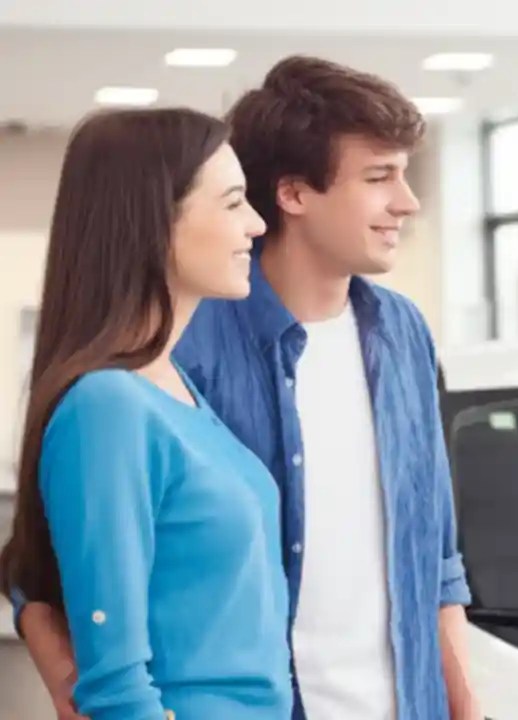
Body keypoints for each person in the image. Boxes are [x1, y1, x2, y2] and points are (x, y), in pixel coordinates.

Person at [11, 56, 479, 720]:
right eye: (379, 177)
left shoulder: (402, 333)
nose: (408, 201)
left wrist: (465, 707)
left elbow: (435, 560)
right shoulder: (168, 357)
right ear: (293, 194)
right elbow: (53, 574)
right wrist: (95, 696)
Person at [0, 108, 290, 719]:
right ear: (156, 220)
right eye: (233, 202)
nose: (257, 223)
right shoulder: (108, 407)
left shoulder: (175, 388)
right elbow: (117, 688)